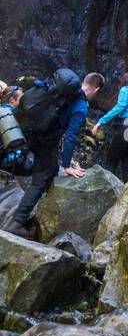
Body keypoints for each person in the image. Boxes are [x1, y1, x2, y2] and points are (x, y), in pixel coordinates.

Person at [8, 71, 104, 237]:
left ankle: (40, 210)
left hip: (28, 129)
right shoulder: (80, 107)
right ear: (96, 90)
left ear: (83, 81)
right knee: (40, 180)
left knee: (51, 170)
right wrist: (67, 166)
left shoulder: (58, 90)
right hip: (44, 141)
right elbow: (70, 137)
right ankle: (17, 222)